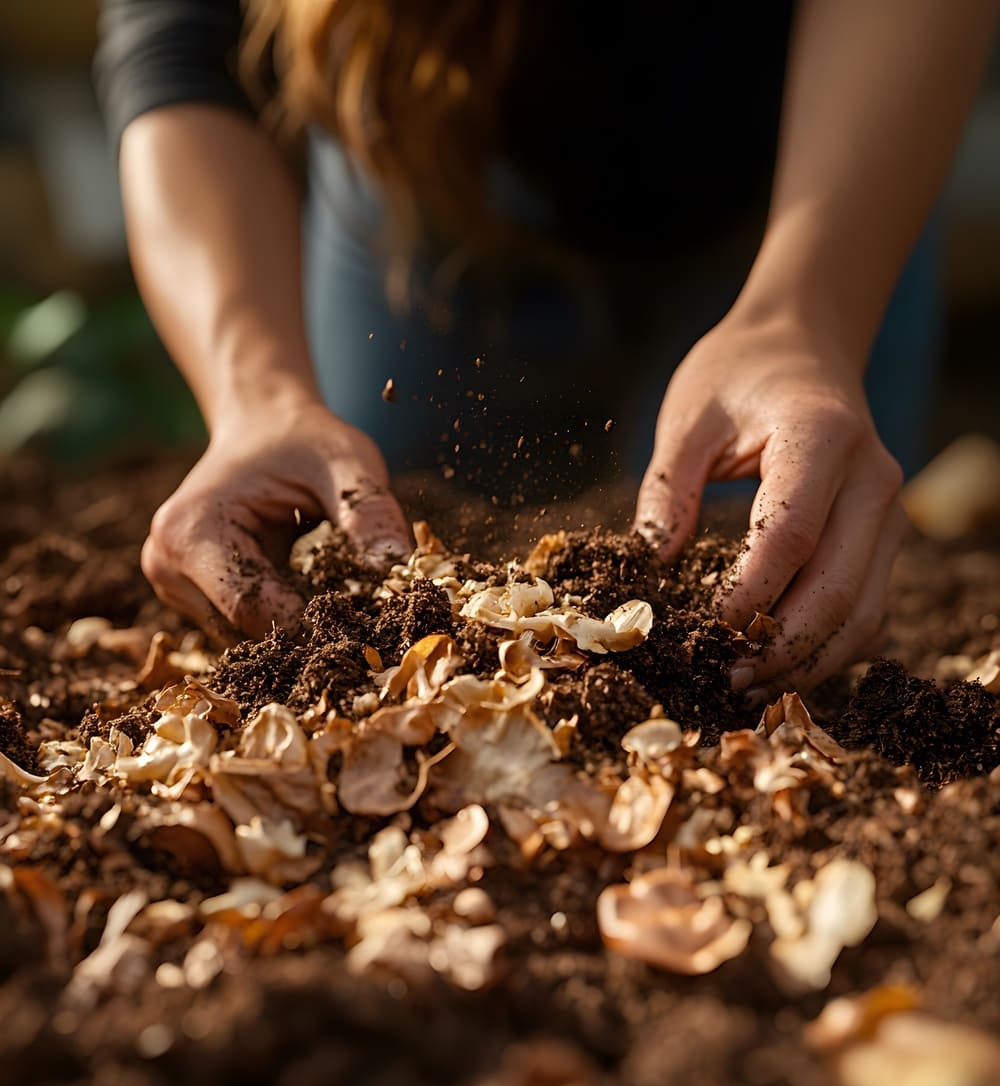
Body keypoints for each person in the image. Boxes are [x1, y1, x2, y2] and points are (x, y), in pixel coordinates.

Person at [95, 0, 997, 699]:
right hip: (422, 185)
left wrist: (807, 319)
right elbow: (177, 39)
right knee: (383, 566)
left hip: (813, 168)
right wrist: (255, 395)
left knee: (777, 582)